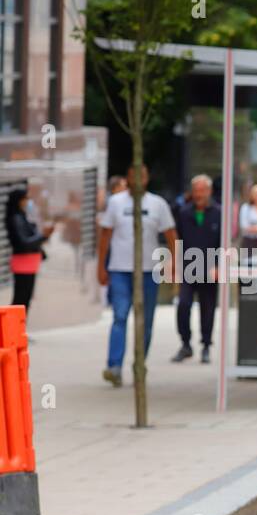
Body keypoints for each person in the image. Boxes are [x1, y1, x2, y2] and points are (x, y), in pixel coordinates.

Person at [97, 164, 178, 388]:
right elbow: (105, 236)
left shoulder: (157, 204)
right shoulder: (116, 203)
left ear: (147, 178)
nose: (137, 180)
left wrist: (174, 264)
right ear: (128, 178)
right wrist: (101, 266)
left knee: (146, 321)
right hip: (120, 269)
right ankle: (114, 366)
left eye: (142, 175)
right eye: (133, 175)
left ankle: (139, 364)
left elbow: (171, 235)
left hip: (148, 270)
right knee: (120, 316)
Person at [170, 175, 221, 364]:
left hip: (210, 268)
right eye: (196, 190)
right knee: (183, 305)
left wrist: (219, 265)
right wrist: (174, 263)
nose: (199, 194)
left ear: (209, 191)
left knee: (207, 309)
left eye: (202, 190)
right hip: (188, 267)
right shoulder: (183, 213)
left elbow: (224, 242)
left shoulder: (218, 213)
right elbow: (176, 239)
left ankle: (206, 345)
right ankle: (185, 344)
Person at [5, 184, 54, 310]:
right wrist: (43, 235)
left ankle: (19, 327)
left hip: (30, 263)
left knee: (25, 300)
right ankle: (14, 328)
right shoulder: (15, 218)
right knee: (20, 301)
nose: (28, 202)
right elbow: (24, 243)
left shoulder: (23, 216)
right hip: (23, 264)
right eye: (25, 198)